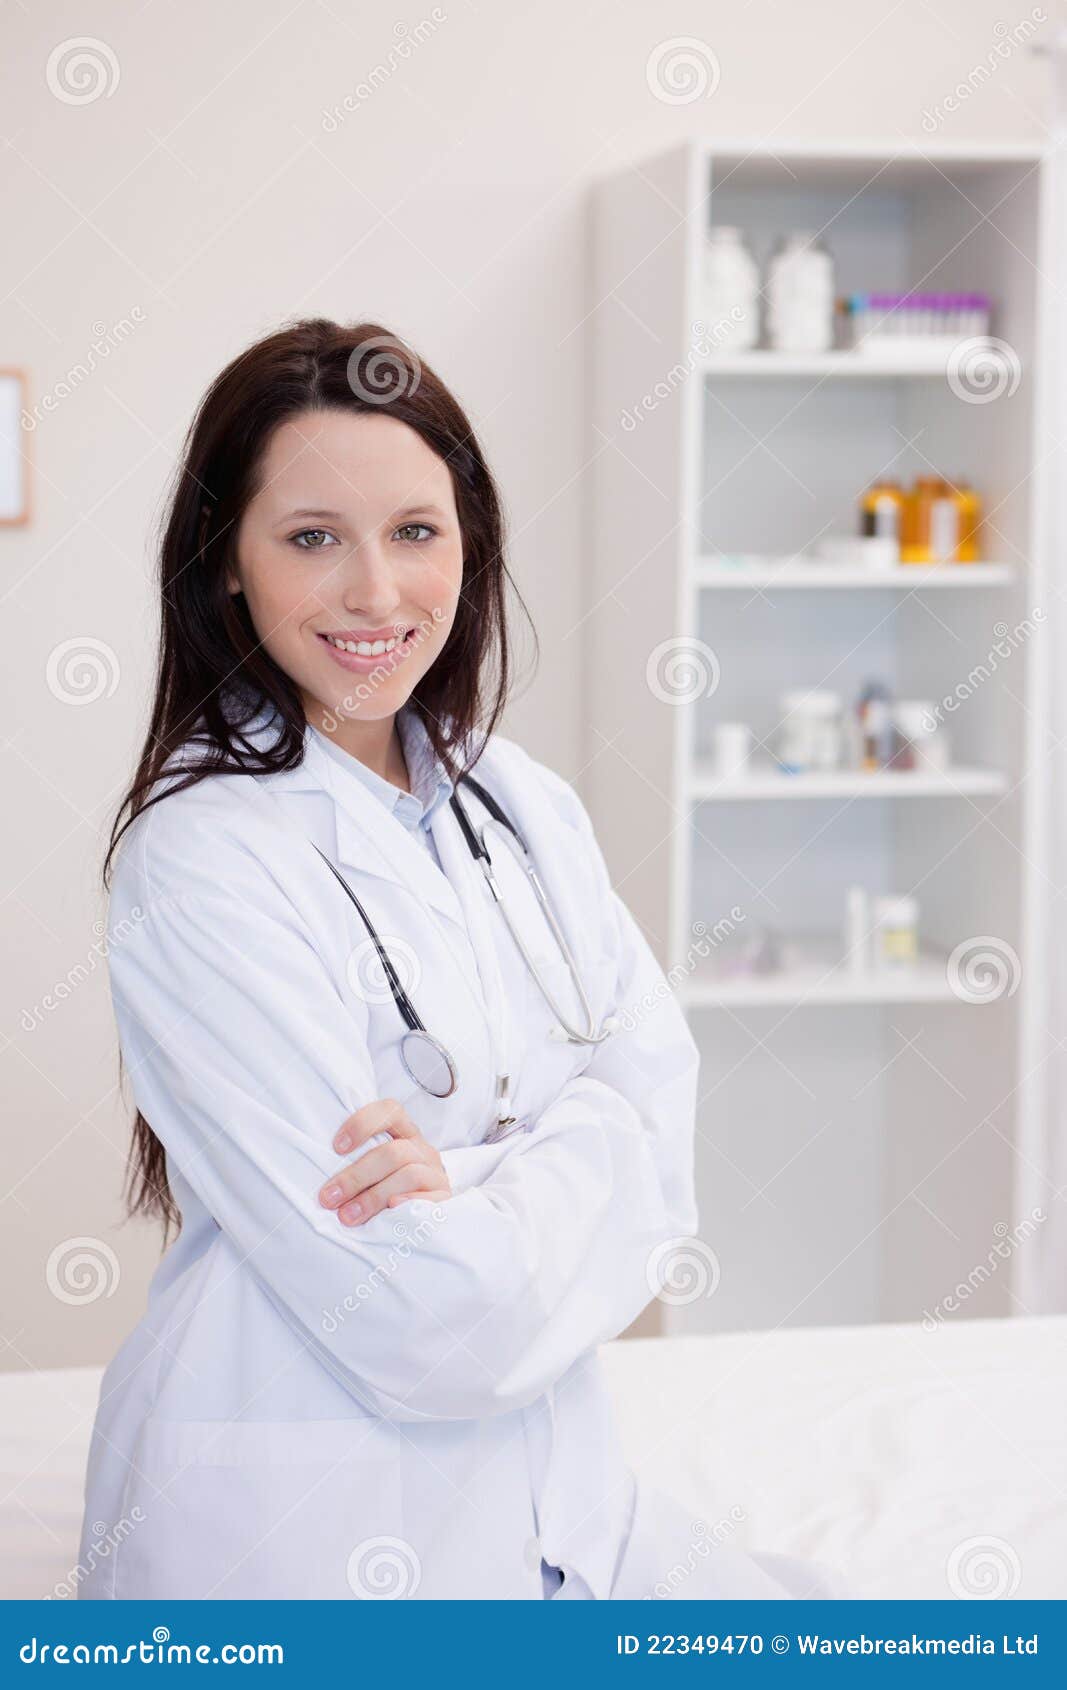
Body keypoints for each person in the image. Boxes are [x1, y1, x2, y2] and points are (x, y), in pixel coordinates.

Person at [78, 318, 847, 1600]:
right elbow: (424, 1319)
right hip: (295, 1545)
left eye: (415, 531)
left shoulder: (520, 802)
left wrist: (471, 1179)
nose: (376, 592)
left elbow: (665, 1139)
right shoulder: (200, 857)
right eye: (312, 537)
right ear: (227, 564)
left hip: (567, 1506)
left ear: (469, 542)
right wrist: (566, 1149)